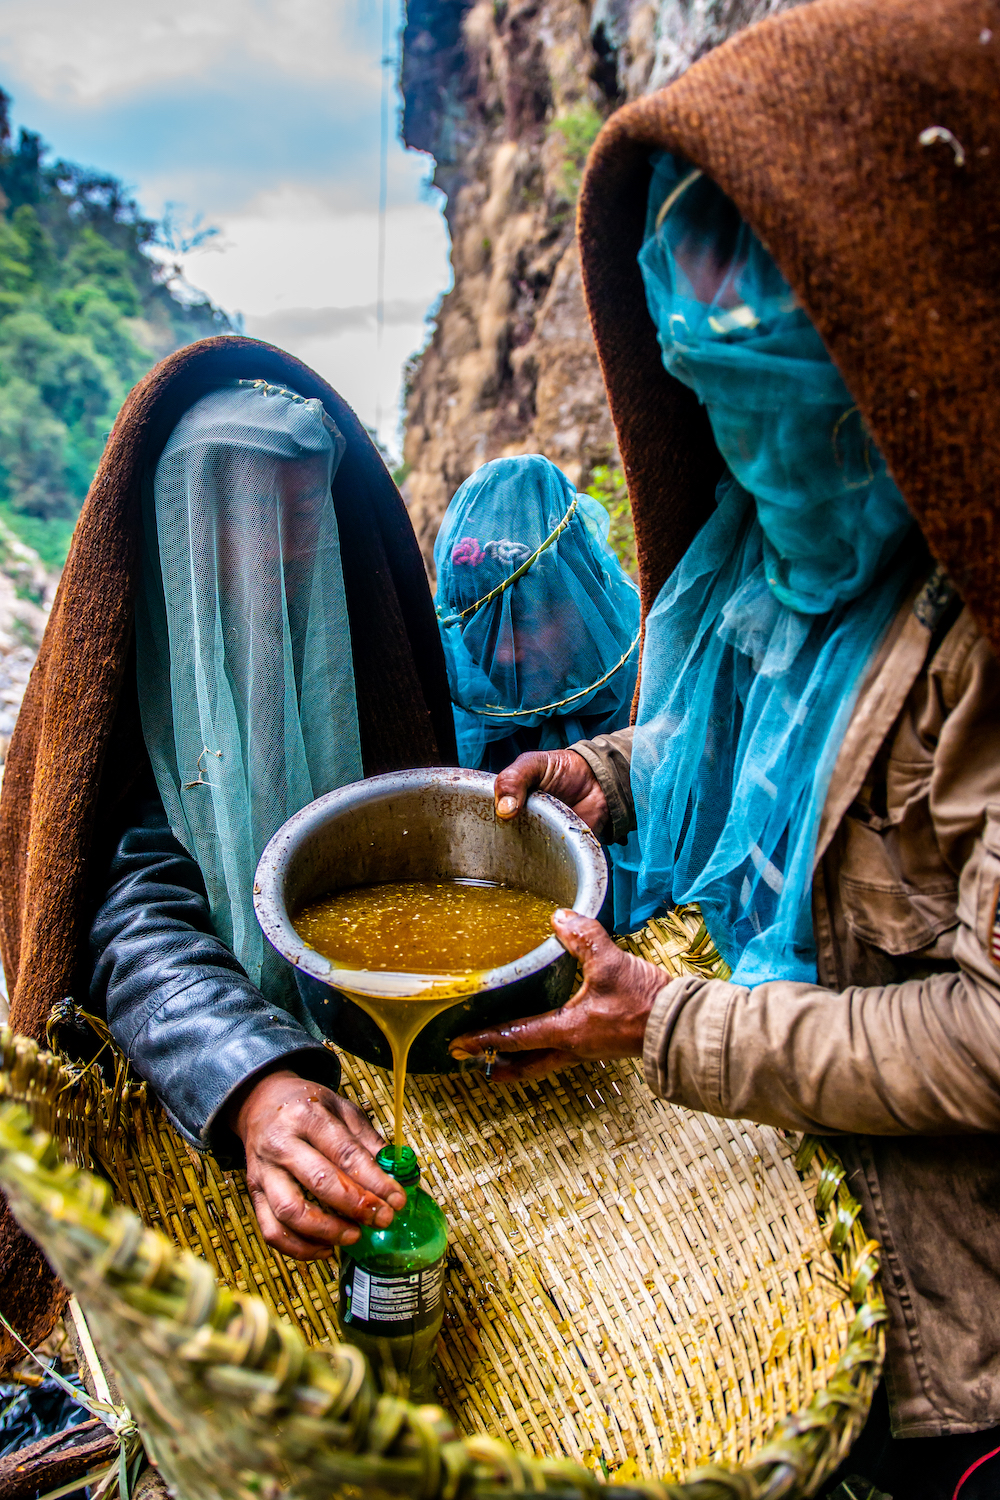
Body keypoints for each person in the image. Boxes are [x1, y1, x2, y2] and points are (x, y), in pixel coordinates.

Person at [450, 2, 1000, 1494]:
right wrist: (607, 775)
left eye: (790, 423)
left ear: (905, 371)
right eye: (721, 419)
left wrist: (676, 1026)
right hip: (788, 1202)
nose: (753, 469)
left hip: (958, 1332)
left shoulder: (972, 639)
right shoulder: (767, 551)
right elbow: (738, 744)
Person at [0, 337, 456, 1359]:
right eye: (248, 512)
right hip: (197, 1087)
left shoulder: (340, 628)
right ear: (181, 527)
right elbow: (122, 906)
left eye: (305, 505)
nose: (290, 541)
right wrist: (253, 1082)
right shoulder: (125, 671)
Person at [434, 454, 640, 771]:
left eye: (526, 620)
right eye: (480, 630)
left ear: (583, 594)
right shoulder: (460, 734)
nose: (503, 655)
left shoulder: (657, 691)